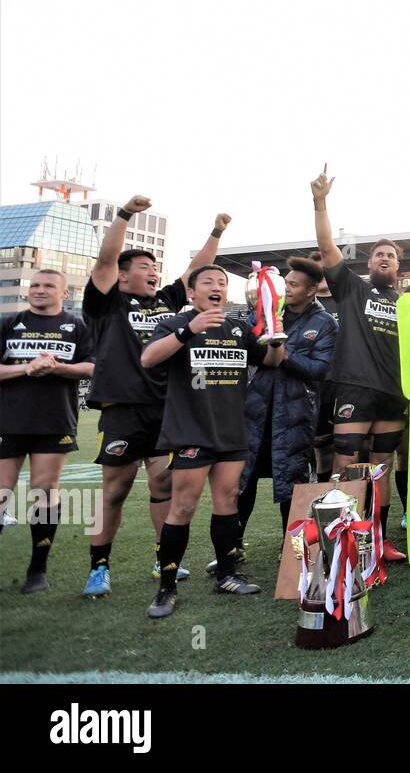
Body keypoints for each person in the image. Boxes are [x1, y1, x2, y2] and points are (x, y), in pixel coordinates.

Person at [81, 196, 230, 597]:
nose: (152, 272)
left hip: (167, 409)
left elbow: (195, 270)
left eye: (154, 267)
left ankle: (163, 557)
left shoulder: (165, 303)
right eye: (144, 267)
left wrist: (216, 231)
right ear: (123, 276)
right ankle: (99, 566)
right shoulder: (107, 302)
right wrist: (126, 216)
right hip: (123, 409)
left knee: (163, 485)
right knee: (116, 488)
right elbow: (106, 259)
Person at [141, 265, 285, 617]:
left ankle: (227, 574)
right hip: (192, 431)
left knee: (228, 499)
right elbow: (147, 359)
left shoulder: (237, 325)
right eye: (208, 282)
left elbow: (271, 360)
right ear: (191, 292)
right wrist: (188, 330)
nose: (217, 286)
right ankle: (167, 588)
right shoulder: (177, 323)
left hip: (232, 430)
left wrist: (277, 337)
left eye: (222, 282)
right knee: (184, 506)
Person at [310, 166, 406, 563]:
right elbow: (327, 245)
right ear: (369, 262)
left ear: (400, 266)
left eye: (392, 255)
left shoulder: (409, 304)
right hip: (353, 386)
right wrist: (320, 202)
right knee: (347, 461)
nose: (385, 258)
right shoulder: (352, 288)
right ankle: (341, 538)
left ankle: (378, 539)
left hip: (392, 392)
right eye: (379, 254)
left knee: (382, 465)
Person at [233, 257, 337, 567]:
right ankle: (232, 547)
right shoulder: (264, 312)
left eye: (292, 285)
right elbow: (250, 352)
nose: (286, 289)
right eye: (284, 283)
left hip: (295, 414)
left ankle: (290, 549)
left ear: (311, 290)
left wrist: (284, 353)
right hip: (256, 410)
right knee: (243, 480)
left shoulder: (324, 323)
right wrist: (266, 329)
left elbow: (319, 370)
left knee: (292, 482)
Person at [0, 270, 95, 594]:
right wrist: (27, 367)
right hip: (8, 419)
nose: (40, 290)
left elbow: (92, 366)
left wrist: (57, 367)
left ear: (64, 293)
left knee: (44, 489)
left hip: (54, 420)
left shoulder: (76, 325)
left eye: (48, 286)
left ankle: (37, 569)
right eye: (35, 285)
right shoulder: (9, 323)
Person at [308, 251, 339, 482]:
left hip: (343, 383)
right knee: (321, 450)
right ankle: (320, 495)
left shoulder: (346, 299)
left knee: (352, 449)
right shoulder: (303, 305)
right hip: (312, 385)